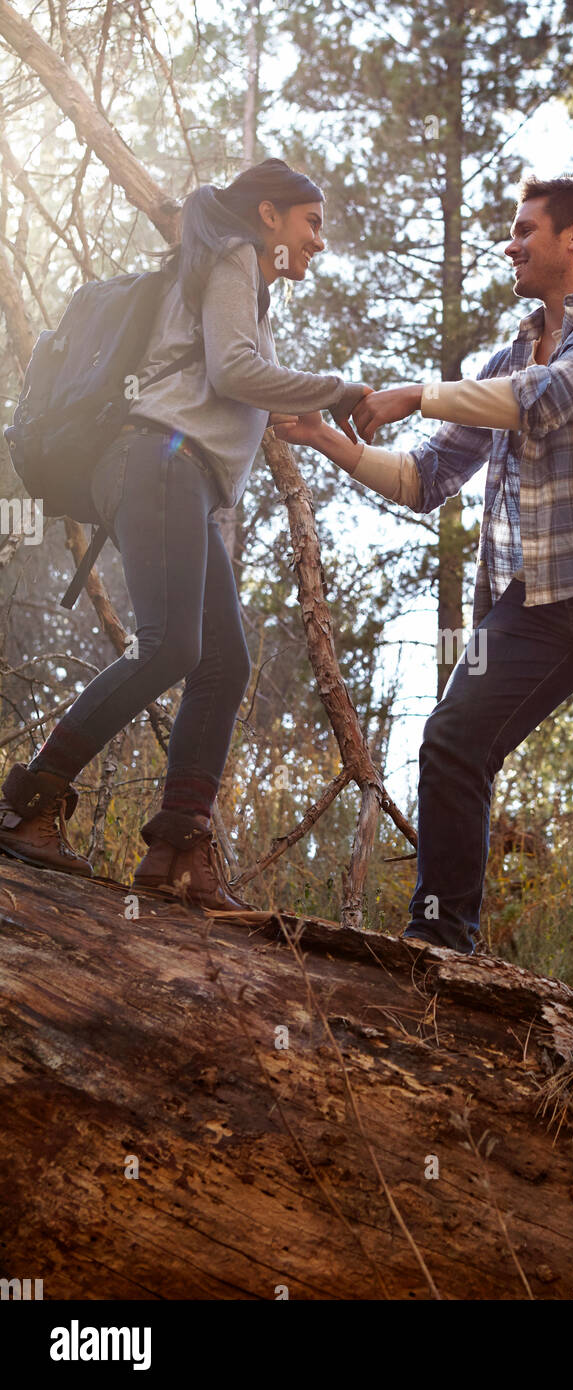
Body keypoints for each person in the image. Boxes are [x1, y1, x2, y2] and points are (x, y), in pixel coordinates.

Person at [272, 173, 573, 1037]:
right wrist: (328, 439)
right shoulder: (500, 361)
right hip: (534, 601)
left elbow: (550, 400)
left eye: (524, 230)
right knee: (453, 739)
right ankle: (442, 941)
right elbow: (422, 478)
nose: (509, 244)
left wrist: (415, 390)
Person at [0, 158, 370, 911]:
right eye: (313, 223)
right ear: (270, 217)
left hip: (171, 475)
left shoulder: (229, 270)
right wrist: (341, 388)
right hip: (159, 460)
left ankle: (177, 848)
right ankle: (27, 801)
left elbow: (229, 376)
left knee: (223, 661)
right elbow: (233, 371)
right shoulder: (234, 254)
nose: (320, 242)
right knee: (171, 643)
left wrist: (300, 412)